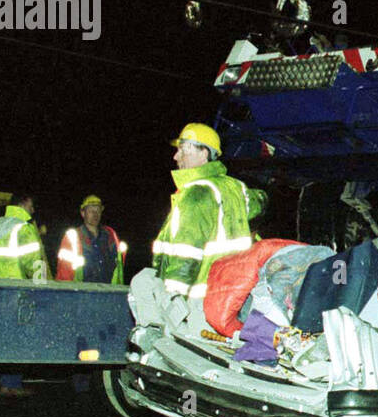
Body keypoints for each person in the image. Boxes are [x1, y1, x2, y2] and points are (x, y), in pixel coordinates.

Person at [152, 123, 267, 301]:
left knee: (141, 280)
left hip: (199, 301)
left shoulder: (197, 193)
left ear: (204, 153)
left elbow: (185, 255)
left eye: (183, 150)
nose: (176, 156)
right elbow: (260, 201)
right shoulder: (234, 187)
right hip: (233, 297)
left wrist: (170, 300)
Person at [0, 191, 49, 397]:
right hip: (15, 292)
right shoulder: (24, 228)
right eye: (32, 205)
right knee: (15, 337)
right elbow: (34, 262)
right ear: (24, 202)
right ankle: (10, 385)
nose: (33, 210)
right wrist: (41, 287)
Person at [57, 195, 126, 284]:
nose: (95, 214)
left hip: (109, 291)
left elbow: (119, 266)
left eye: (98, 210)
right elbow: (64, 270)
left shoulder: (110, 234)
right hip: (82, 292)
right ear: (83, 213)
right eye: (91, 211)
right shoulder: (73, 237)